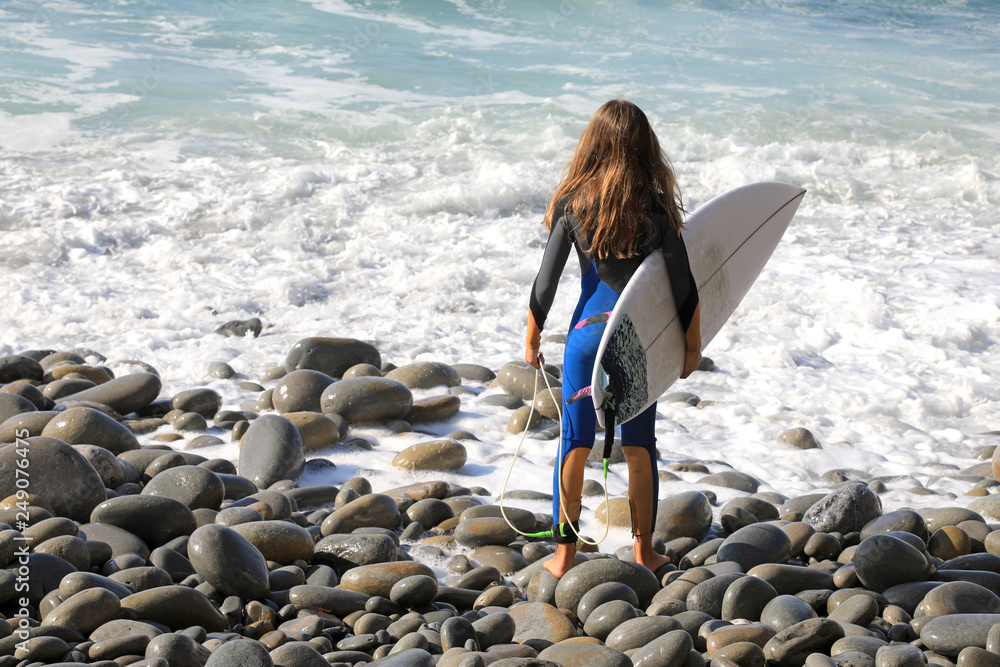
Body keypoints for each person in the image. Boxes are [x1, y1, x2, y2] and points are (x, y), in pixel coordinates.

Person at [525, 99, 702, 578]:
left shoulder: (574, 201)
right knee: (640, 447)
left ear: (593, 144)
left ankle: (564, 556)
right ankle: (644, 553)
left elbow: (546, 280)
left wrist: (533, 336)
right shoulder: (656, 206)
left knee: (575, 444)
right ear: (645, 147)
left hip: (585, 340)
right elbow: (684, 284)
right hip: (634, 344)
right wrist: (691, 345)